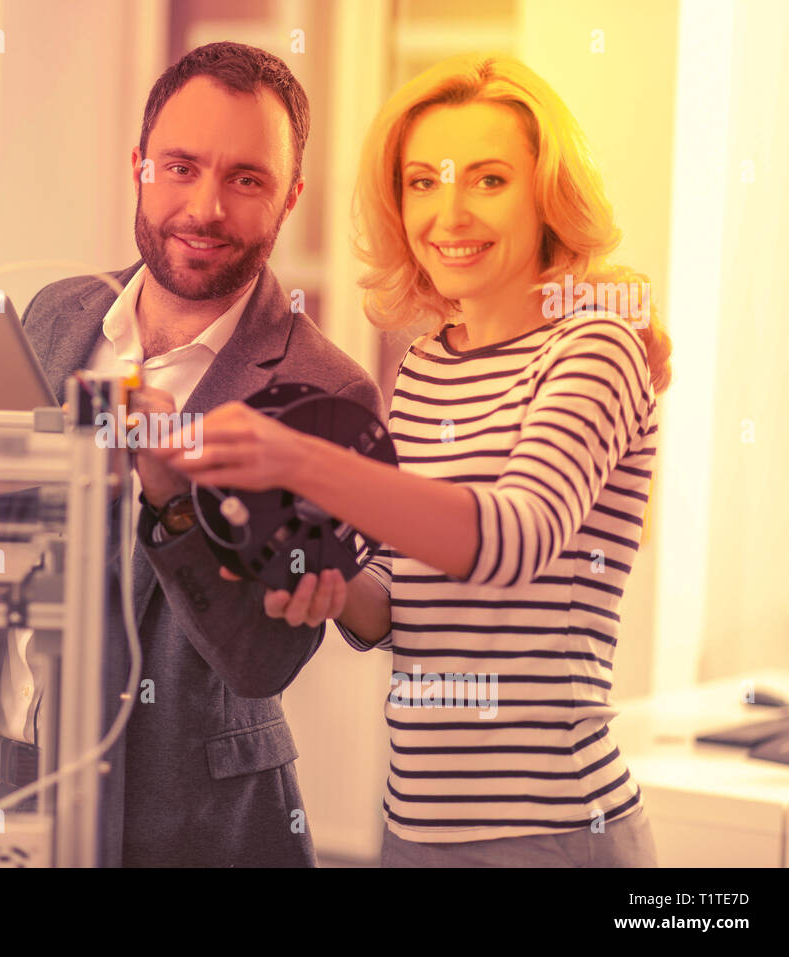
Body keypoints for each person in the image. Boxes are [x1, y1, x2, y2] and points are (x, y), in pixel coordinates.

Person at [149, 53, 673, 867]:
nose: (449, 212)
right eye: (424, 181)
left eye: (489, 179)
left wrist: (298, 458)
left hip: (556, 829)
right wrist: (321, 577)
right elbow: (396, 599)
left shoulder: (595, 348)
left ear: (547, 194)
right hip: (414, 826)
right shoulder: (428, 365)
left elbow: (510, 539)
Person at [0, 41, 383, 867]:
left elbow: (265, 658)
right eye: (180, 167)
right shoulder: (58, 313)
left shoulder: (326, 392)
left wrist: (174, 503)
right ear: (138, 166)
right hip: (3, 769)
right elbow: (8, 545)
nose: (205, 208)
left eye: (246, 179)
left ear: (290, 196)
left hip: (190, 820)